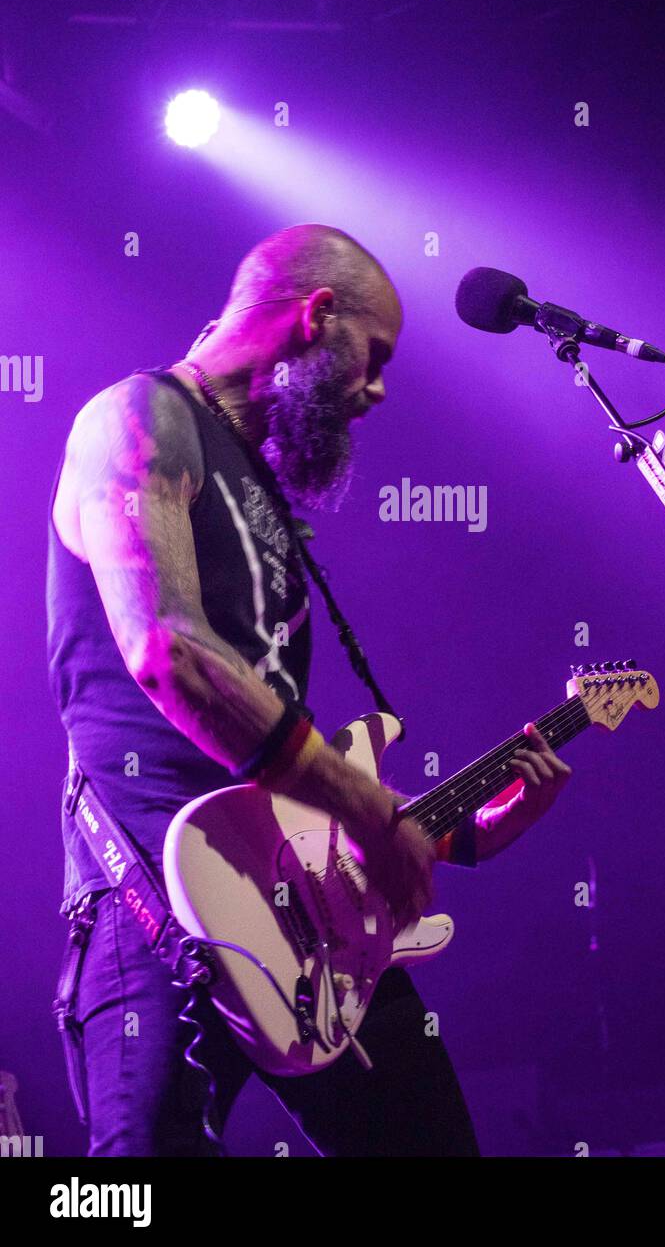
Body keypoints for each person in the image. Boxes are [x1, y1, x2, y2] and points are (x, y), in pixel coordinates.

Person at [46, 223, 572, 1156]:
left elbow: (284, 756)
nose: (374, 391)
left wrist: (464, 833)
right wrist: (372, 812)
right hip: (153, 900)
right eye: (373, 358)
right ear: (316, 314)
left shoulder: (266, 506)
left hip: (305, 915)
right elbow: (169, 651)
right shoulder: (140, 416)